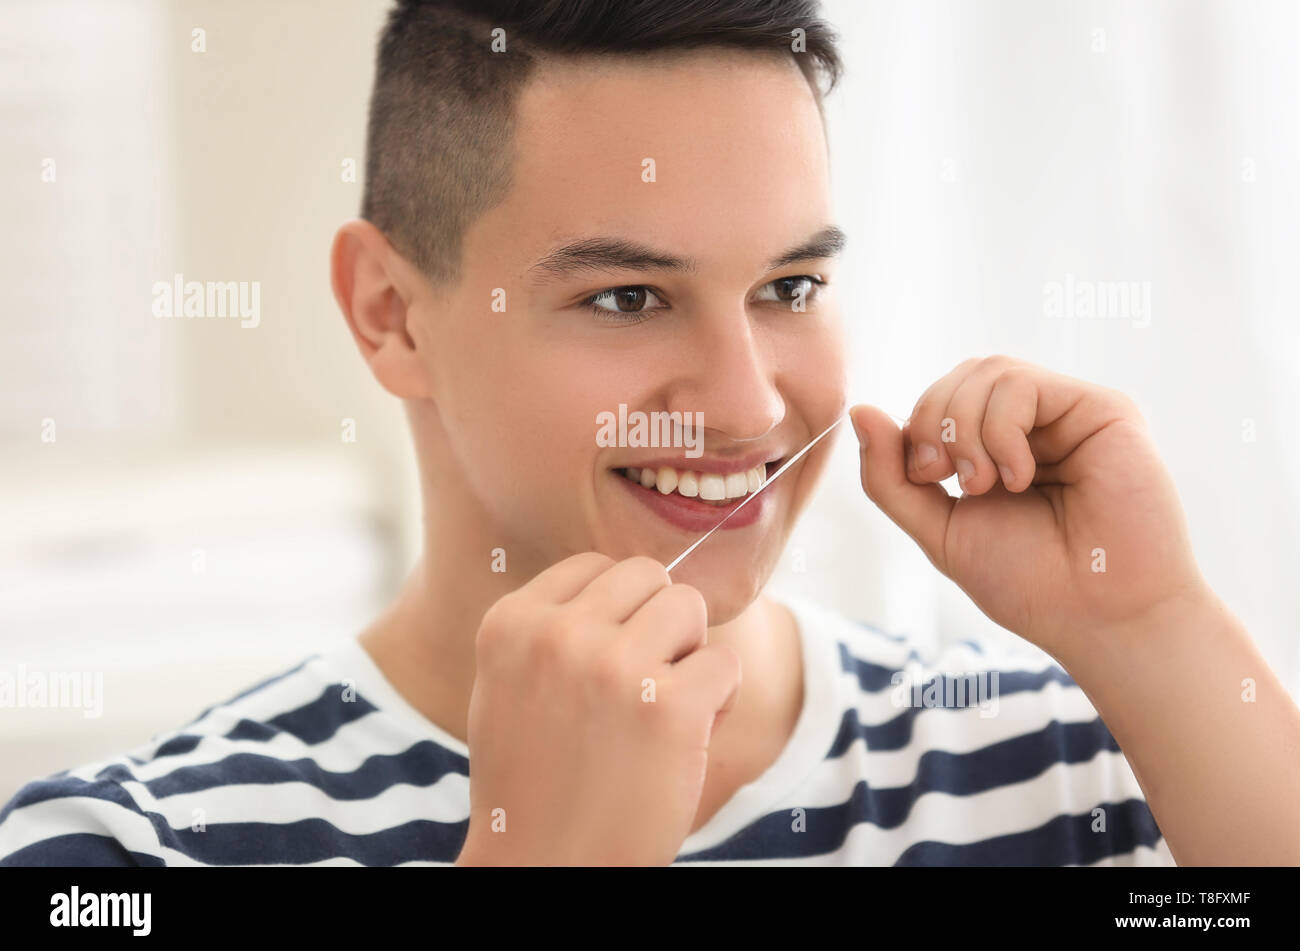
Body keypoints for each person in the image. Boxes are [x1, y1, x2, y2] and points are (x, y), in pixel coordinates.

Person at [2, 0, 1296, 866]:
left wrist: (1150, 630)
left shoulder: (1068, 764)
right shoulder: (123, 850)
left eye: (789, 286)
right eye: (626, 297)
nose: (749, 406)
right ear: (392, 315)